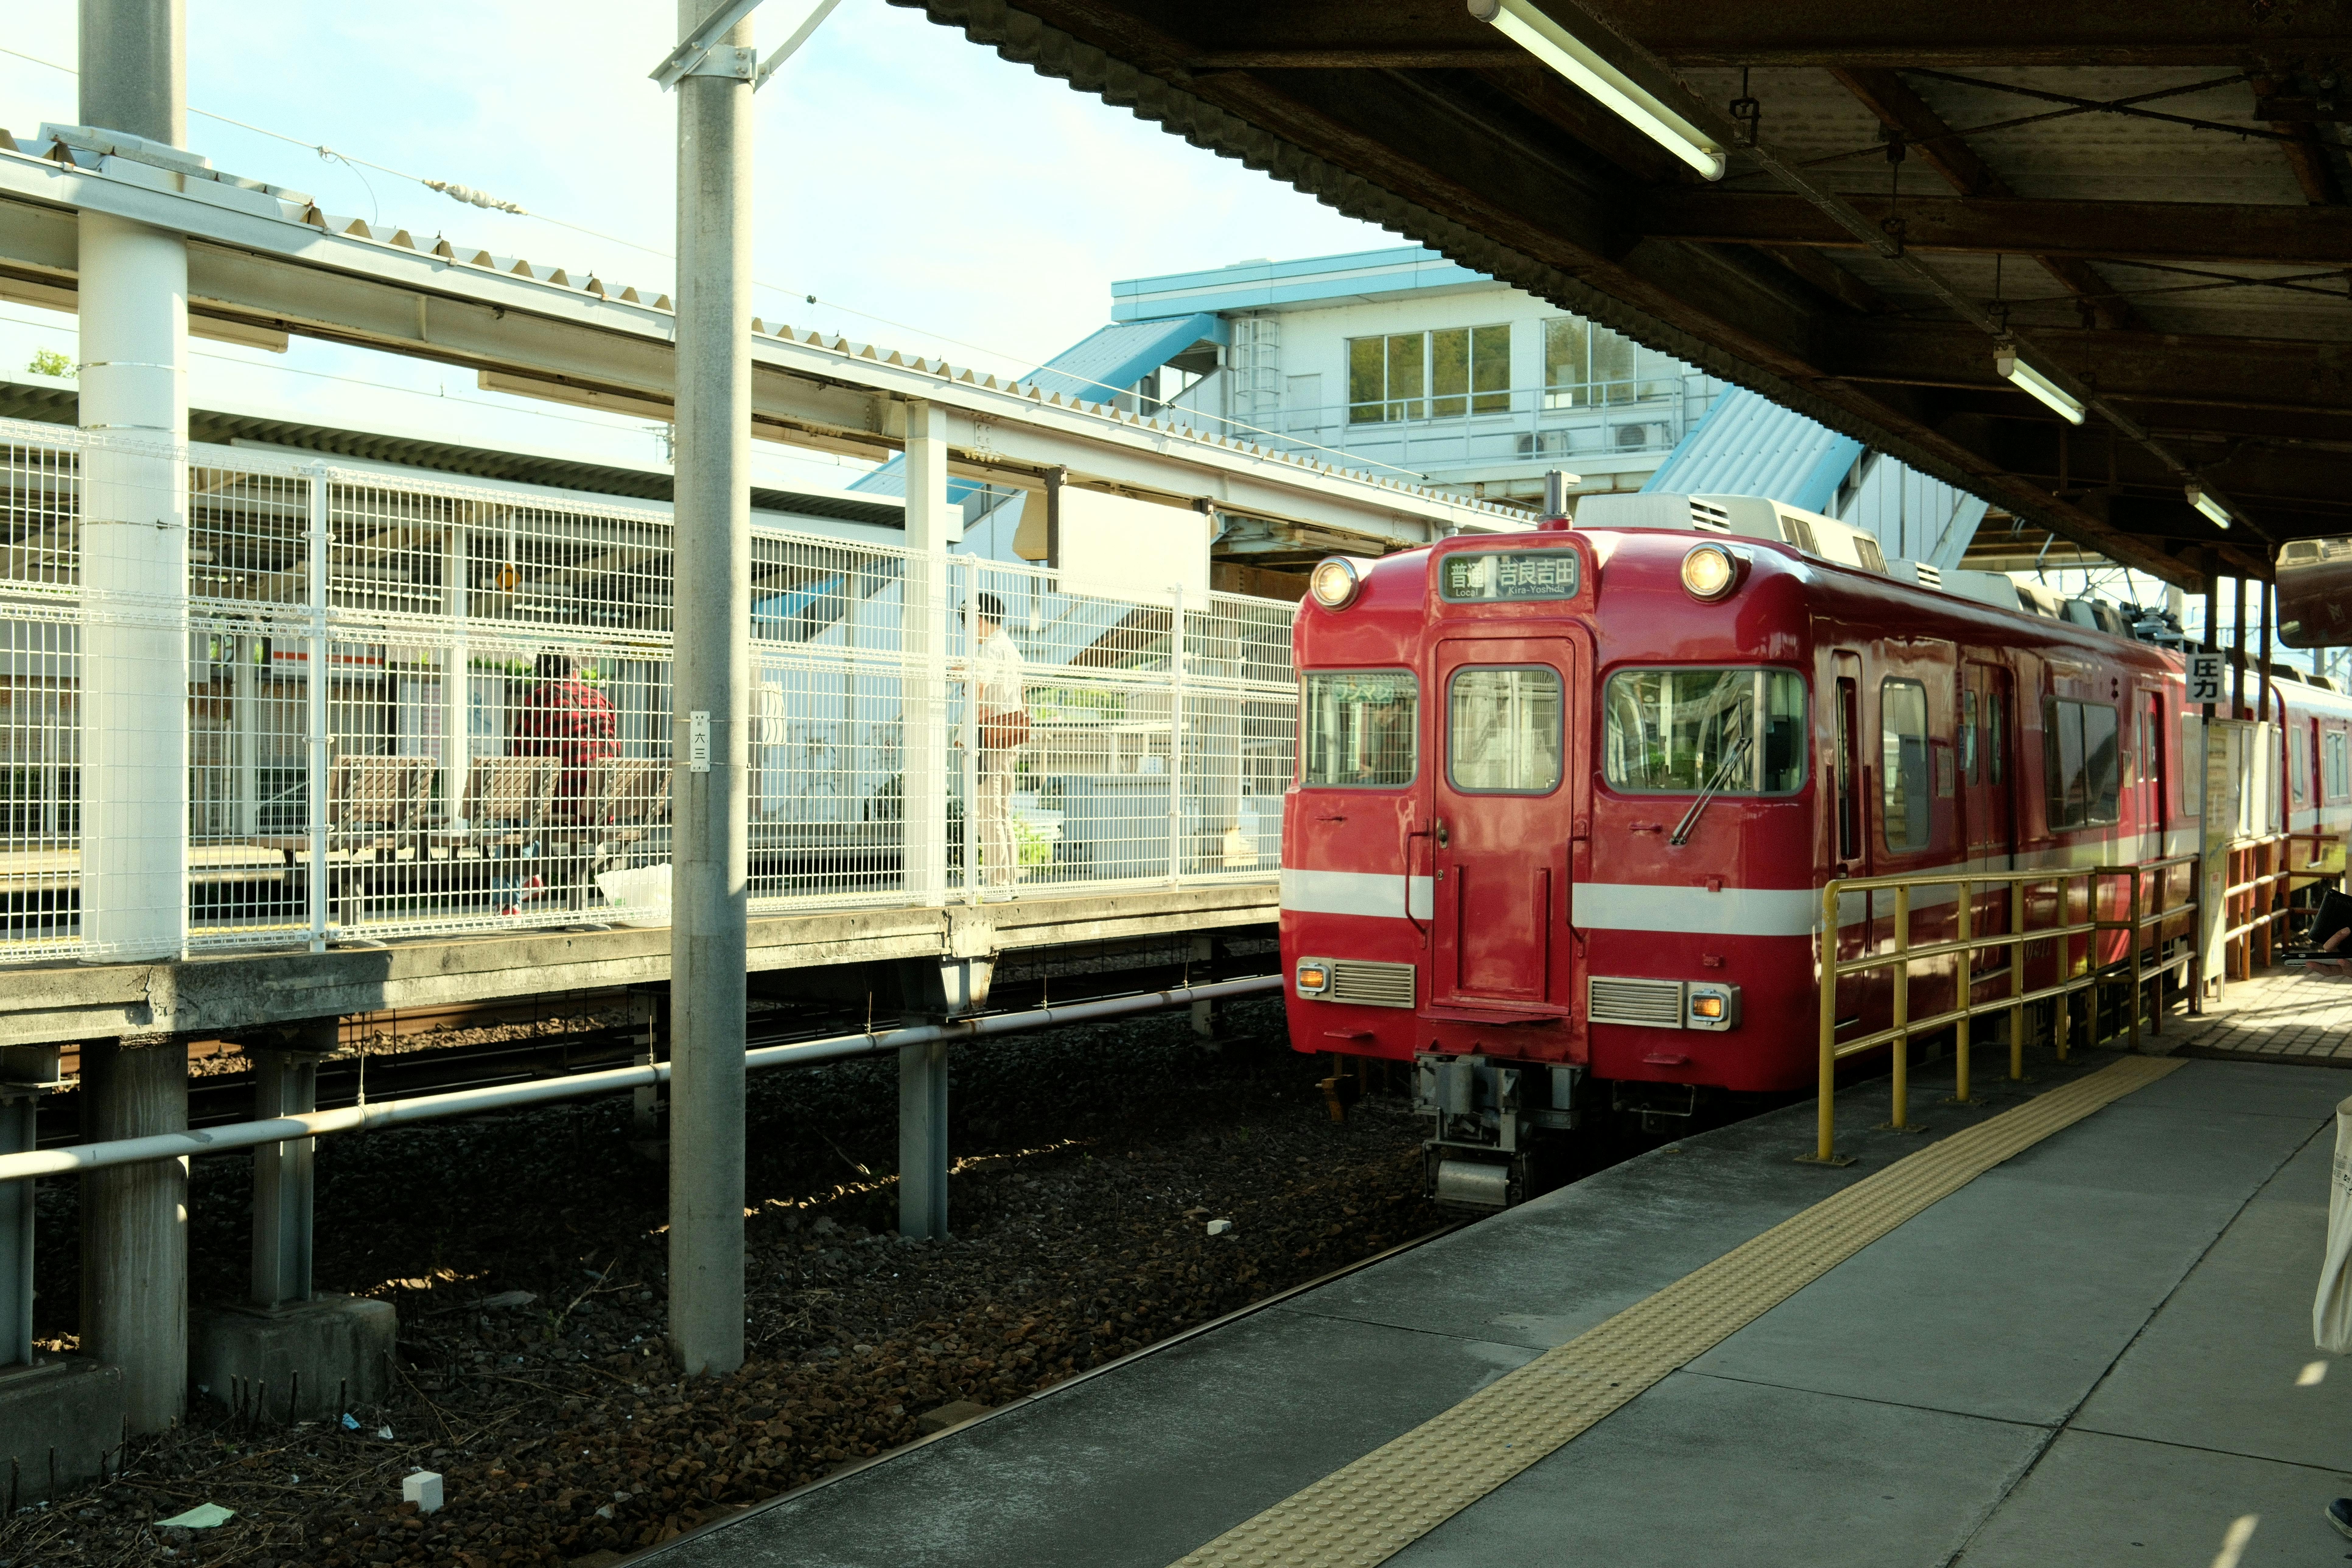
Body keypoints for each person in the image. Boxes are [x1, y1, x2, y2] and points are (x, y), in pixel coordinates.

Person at [509, 652, 621, 914]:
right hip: (603, 808)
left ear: (541, 676)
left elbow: (520, 760)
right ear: (576, 673)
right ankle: (530, 877)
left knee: (508, 808)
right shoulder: (603, 701)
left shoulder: (539, 700)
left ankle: (513, 894)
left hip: (560, 807)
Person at [966, 591, 1028, 891]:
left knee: (988, 814)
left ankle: (998, 884)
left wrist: (970, 695)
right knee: (1002, 813)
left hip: (990, 739)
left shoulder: (990, 650)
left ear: (979, 619)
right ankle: (1009, 881)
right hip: (1009, 737)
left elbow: (979, 684)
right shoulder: (1011, 647)